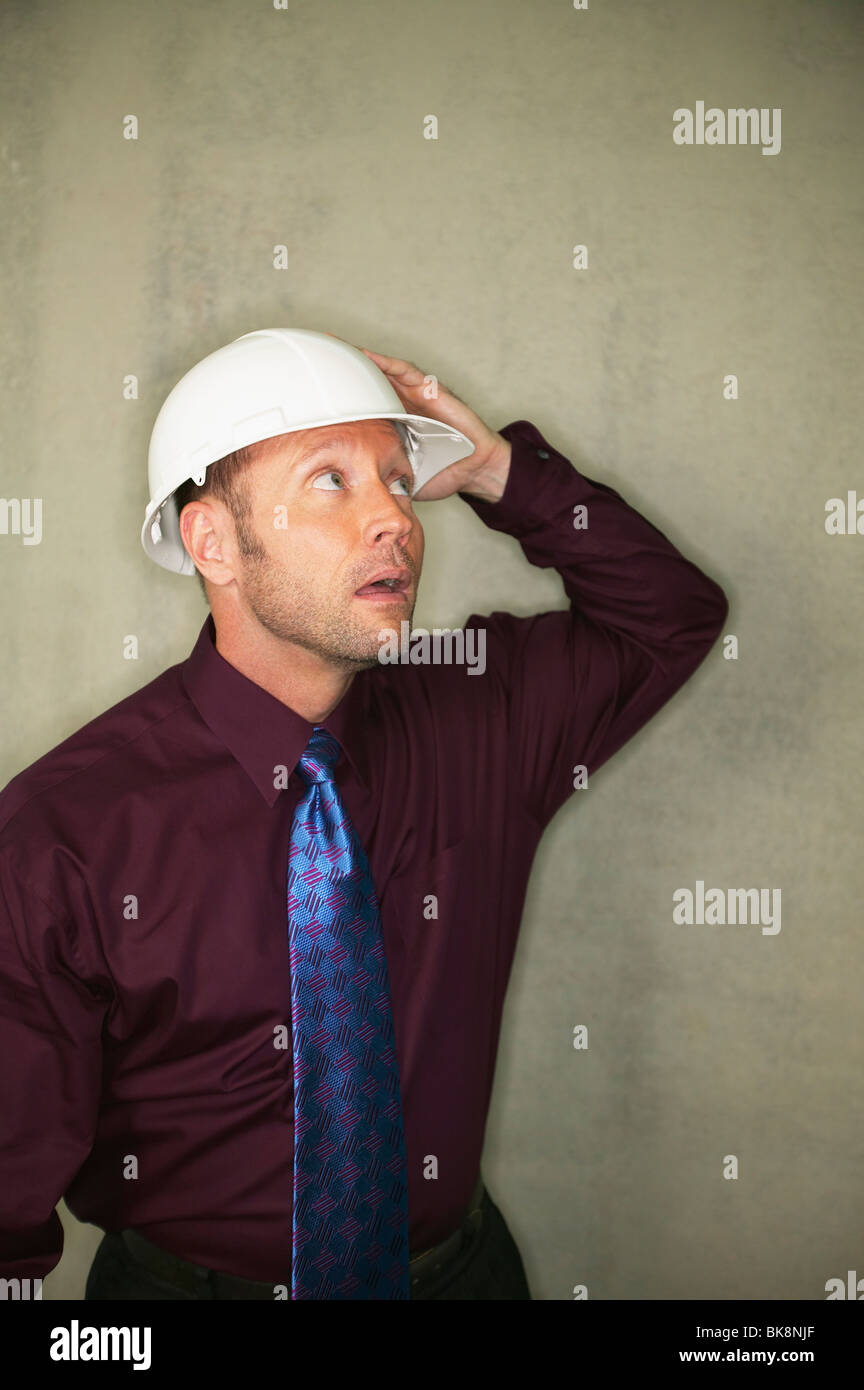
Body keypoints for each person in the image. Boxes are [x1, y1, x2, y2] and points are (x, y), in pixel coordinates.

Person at [0, 329, 728, 1300]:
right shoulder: (67, 828)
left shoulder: (483, 718)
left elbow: (670, 615)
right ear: (212, 540)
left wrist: (501, 473)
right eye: (332, 481)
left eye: (397, 479)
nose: (395, 519)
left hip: (458, 1279)